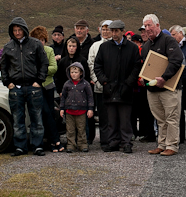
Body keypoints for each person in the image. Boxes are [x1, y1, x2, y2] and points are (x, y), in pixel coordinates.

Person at [0, 17, 49, 156]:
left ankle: (37, 146)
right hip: (16, 88)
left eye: (19, 30)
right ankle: (20, 147)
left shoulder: (35, 44)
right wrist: (7, 82)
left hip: (33, 87)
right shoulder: (8, 47)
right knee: (17, 118)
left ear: (24, 30)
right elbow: (3, 66)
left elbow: (43, 63)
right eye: (14, 30)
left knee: (36, 118)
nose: (17, 33)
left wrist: (39, 81)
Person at [94, 20, 142, 153]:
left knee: (125, 119)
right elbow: (97, 66)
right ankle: (113, 142)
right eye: (111, 31)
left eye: (116, 31)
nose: (113, 34)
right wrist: (104, 81)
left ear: (122, 31)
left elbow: (136, 66)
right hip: (109, 89)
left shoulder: (132, 48)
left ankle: (126, 142)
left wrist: (129, 83)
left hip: (126, 89)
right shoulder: (104, 48)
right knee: (111, 118)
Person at [141, 14, 184, 156]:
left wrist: (164, 78)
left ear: (157, 25)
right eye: (145, 26)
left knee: (171, 117)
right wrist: (143, 78)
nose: (147, 29)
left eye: (149, 25)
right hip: (153, 89)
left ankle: (172, 145)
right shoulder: (146, 45)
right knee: (160, 118)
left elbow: (176, 61)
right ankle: (162, 144)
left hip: (169, 88)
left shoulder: (169, 41)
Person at [30, 26, 62, 153]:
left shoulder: (49, 51)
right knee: (44, 113)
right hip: (35, 87)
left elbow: (54, 68)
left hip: (48, 86)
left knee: (49, 113)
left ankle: (51, 141)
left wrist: (40, 72)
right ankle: (55, 139)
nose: (41, 42)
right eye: (38, 40)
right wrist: (42, 72)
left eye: (43, 40)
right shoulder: (31, 52)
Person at [87, 20, 113, 148]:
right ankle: (104, 141)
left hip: (115, 87)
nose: (106, 31)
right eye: (103, 29)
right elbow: (91, 64)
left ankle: (115, 139)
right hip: (99, 86)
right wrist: (97, 80)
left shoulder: (117, 45)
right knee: (103, 115)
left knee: (114, 115)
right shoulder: (95, 46)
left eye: (108, 29)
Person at [59, 63, 94, 153]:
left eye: (76, 72)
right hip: (69, 111)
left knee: (81, 129)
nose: (74, 74)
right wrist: (62, 108)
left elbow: (90, 97)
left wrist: (90, 108)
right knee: (70, 130)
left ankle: (82, 144)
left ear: (81, 73)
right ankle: (71, 145)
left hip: (81, 111)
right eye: (72, 72)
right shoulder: (67, 84)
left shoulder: (85, 84)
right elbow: (63, 97)